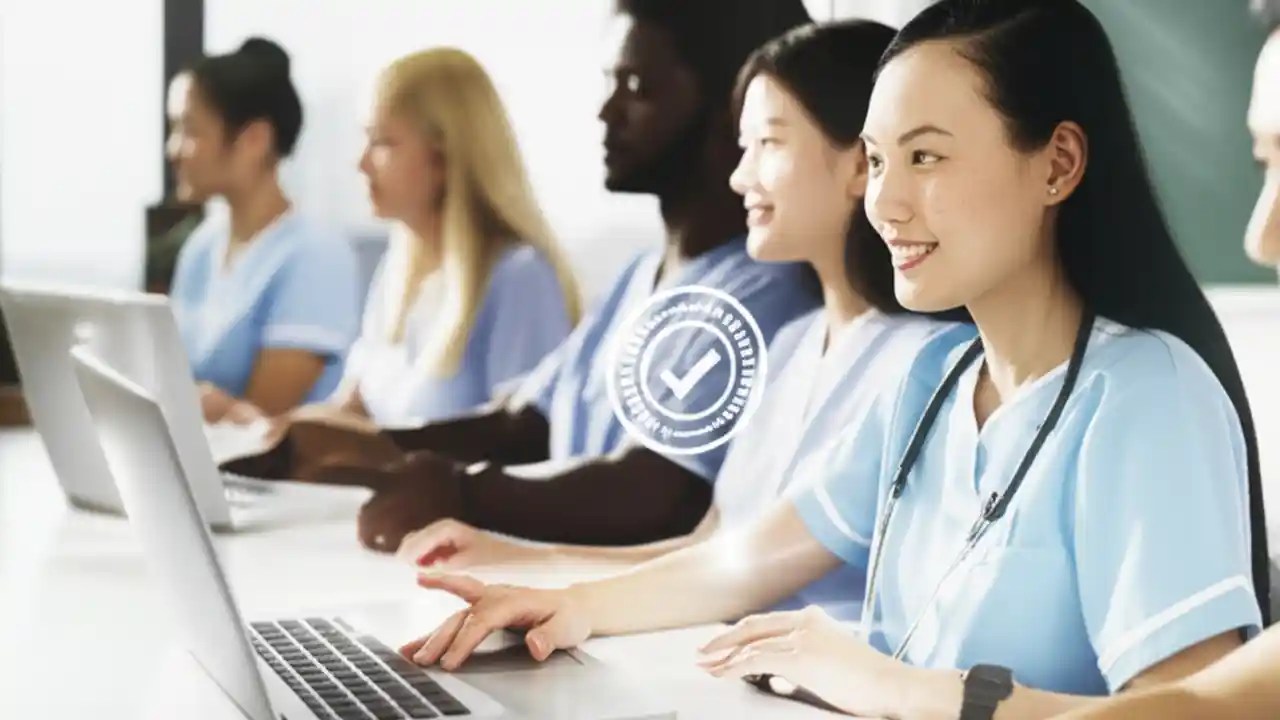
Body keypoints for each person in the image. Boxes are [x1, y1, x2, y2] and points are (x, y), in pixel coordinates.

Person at [398, 3, 1273, 717]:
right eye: (879, 160)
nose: (885, 201)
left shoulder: (1146, 396)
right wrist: (565, 605)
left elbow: (1188, 708)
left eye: (926, 157)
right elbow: (742, 559)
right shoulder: (932, 380)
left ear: (1059, 164)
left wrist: (902, 691)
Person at [392, 21, 949, 625]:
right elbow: (708, 551)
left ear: (863, 162)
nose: (741, 177)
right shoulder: (792, 345)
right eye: (744, 147)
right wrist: (521, 557)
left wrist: (563, 595)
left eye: (770, 144)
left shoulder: (921, 361)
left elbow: (741, 575)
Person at [223, 0, 818, 552]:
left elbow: (659, 492)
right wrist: (375, 446)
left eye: (636, 87)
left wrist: (456, 492)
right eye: (610, 83)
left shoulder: (763, 293)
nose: (607, 111)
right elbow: (525, 425)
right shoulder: (643, 277)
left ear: (735, 110)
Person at [243, 48, 581, 432]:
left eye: (383, 142)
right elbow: (349, 413)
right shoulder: (399, 274)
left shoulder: (520, 280)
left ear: (446, 156)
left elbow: (526, 448)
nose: (361, 163)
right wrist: (252, 430)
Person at [166, 38, 361, 422]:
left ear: (254, 138)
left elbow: (263, 423)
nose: (173, 148)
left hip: (273, 476)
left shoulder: (315, 256)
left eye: (190, 130)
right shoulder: (201, 248)